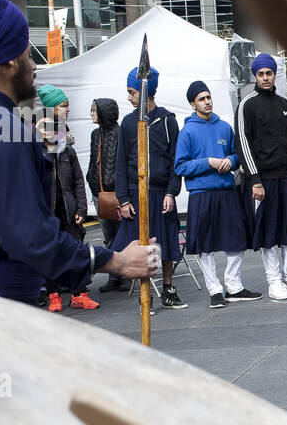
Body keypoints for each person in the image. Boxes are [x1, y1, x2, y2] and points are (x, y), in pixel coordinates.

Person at [0, 0, 157, 299]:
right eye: (27, 55)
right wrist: (118, 260)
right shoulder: (6, 129)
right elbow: (30, 236)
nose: (33, 66)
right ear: (10, 62)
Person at [235, 54, 287, 302]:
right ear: (255, 76)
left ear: (274, 75)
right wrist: (255, 180)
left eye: (269, 73)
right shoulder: (246, 105)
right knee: (269, 232)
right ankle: (274, 281)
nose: (266, 77)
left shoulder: (285, 104)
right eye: (261, 74)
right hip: (263, 181)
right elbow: (243, 144)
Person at [176, 80, 259, 307]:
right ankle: (214, 290)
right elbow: (180, 166)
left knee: (237, 239)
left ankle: (234, 285)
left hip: (226, 192)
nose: (207, 102)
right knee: (205, 245)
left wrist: (229, 161)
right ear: (193, 104)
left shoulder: (224, 127)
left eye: (208, 97)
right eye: (201, 99)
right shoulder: (187, 132)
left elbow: (236, 155)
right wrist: (208, 162)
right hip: (201, 194)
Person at [114, 63, 185, 308]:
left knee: (165, 243)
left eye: (132, 92)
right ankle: (146, 296)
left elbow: (175, 160)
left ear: (145, 92)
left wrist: (171, 193)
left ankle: (168, 288)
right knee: (140, 245)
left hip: (161, 193)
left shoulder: (167, 121)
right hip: (136, 193)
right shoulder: (128, 123)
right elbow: (121, 164)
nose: (129, 97)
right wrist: (122, 199)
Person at [36, 84, 99, 312]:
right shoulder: (35, 152)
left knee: (76, 251)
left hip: (69, 209)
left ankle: (79, 294)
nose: (68, 110)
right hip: (47, 211)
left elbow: (77, 180)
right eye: (64, 106)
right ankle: (53, 295)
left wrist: (82, 208)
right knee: (49, 255)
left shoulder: (67, 150)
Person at [87, 98, 126, 292]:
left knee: (122, 234)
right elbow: (93, 162)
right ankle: (114, 275)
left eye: (95, 111)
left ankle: (124, 273)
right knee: (108, 235)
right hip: (100, 193)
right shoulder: (96, 135)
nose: (92, 114)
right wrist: (93, 183)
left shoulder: (120, 133)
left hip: (117, 194)